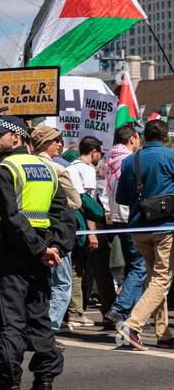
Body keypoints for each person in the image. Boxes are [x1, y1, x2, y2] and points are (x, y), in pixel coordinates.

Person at [0, 116, 74, 390]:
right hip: (39, 254)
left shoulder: (4, 169)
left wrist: (40, 249)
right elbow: (63, 215)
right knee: (38, 318)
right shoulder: (46, 168)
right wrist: (55, 247)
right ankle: (44, 385)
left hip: (14, 253)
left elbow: (11, 217)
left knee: (10, 320)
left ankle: (10, 388)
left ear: (16, 138)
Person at [113, 118, 174, 350]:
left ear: (144, 136)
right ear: (165, 137)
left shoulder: (130, 160)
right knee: (162, 279)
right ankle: (133, 325)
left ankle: (163, 332)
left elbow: (121, 198)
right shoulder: (170, 157)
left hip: (138, 227)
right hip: (165, 227)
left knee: (155, 280)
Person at [29, 124, 80, 334]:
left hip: (30, 233)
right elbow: (75, 202)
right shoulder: (58, 169)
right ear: (47, 144)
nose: (60, 144)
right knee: (61, 284)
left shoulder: (24, 164)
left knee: (37, 284)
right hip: (55, 233)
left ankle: (34, 327)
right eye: (56, 140)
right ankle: (47, 330)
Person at [104, 124, 146, 329]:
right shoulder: (129, 160)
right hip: (130, 215)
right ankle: (120, 307)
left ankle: (132, 315)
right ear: (132, 139)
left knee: (132, 266)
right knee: (140, 266)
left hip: (116, 216)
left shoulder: (110, 158)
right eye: (138, 139)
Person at [65, 135, 107, 331]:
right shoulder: (87, 169)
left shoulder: (71, 166)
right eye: (99, 152)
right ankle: (75, 314)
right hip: (80, 224)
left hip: (69, 222)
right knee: (78, 270)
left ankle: (73, 312)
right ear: (93, 152)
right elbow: (87, 205)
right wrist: (92, 232)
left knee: (73, 269)